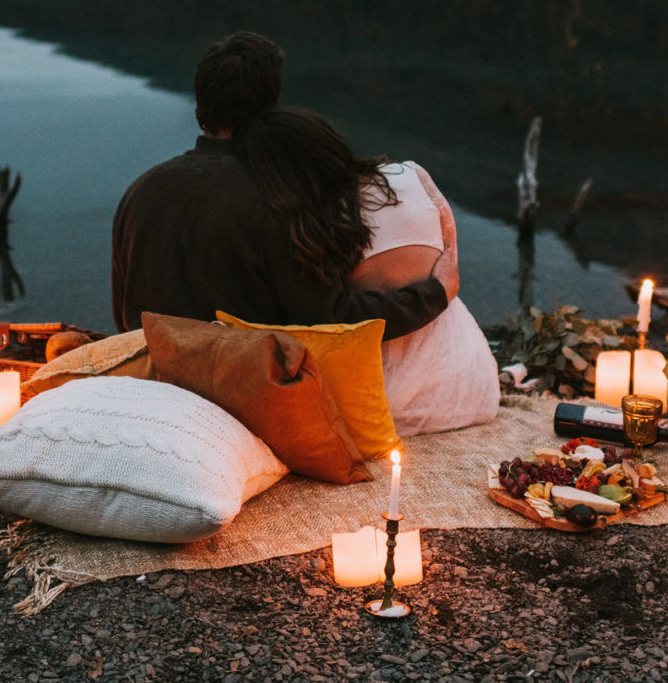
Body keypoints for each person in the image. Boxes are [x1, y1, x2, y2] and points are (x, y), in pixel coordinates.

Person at [111, 32, 456, 336]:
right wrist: (434, 294)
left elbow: (123, 312)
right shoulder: (279, 199)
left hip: (147, 370)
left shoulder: (139, 192)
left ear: (201, 105)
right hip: (237, 378)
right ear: (271, 105)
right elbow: (330, 319)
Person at [237, 106, 499, 434]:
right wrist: (437, 289)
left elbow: (333, 316)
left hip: (387, 398)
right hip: (469, 378)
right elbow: (450, 256)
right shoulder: (413, 174)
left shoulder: (313, 232)